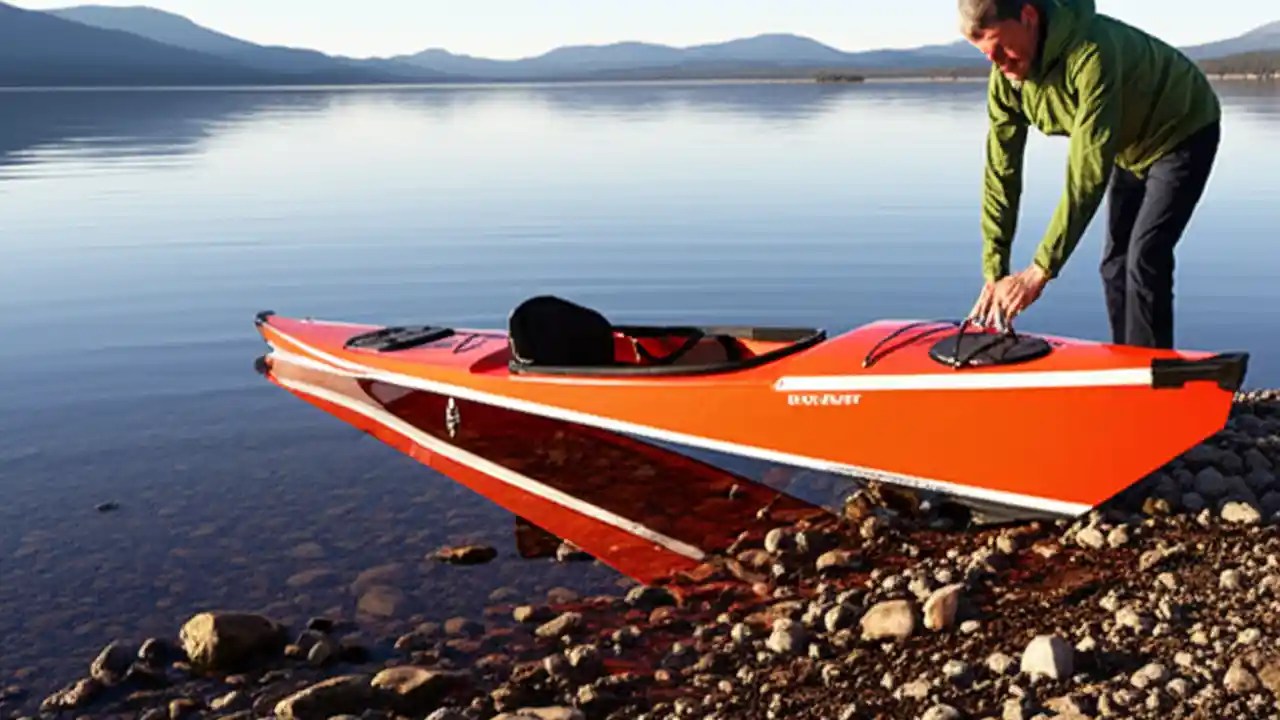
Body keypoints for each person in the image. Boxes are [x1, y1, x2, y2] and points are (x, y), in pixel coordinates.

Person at [959, 0, 1221, 348]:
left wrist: (1041, 268)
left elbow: (1087, 170)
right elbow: (1001, 171)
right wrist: (995, 269)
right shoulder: (1007, 79)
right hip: (1127, 147)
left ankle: (1156, 378)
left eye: (1001, 48)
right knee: (1114, 263)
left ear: (1029, 16)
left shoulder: (1091, 53)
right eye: (986, 55)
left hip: (1182, 129)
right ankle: (1127, 362)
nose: (998, 64)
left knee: (1145, 256)